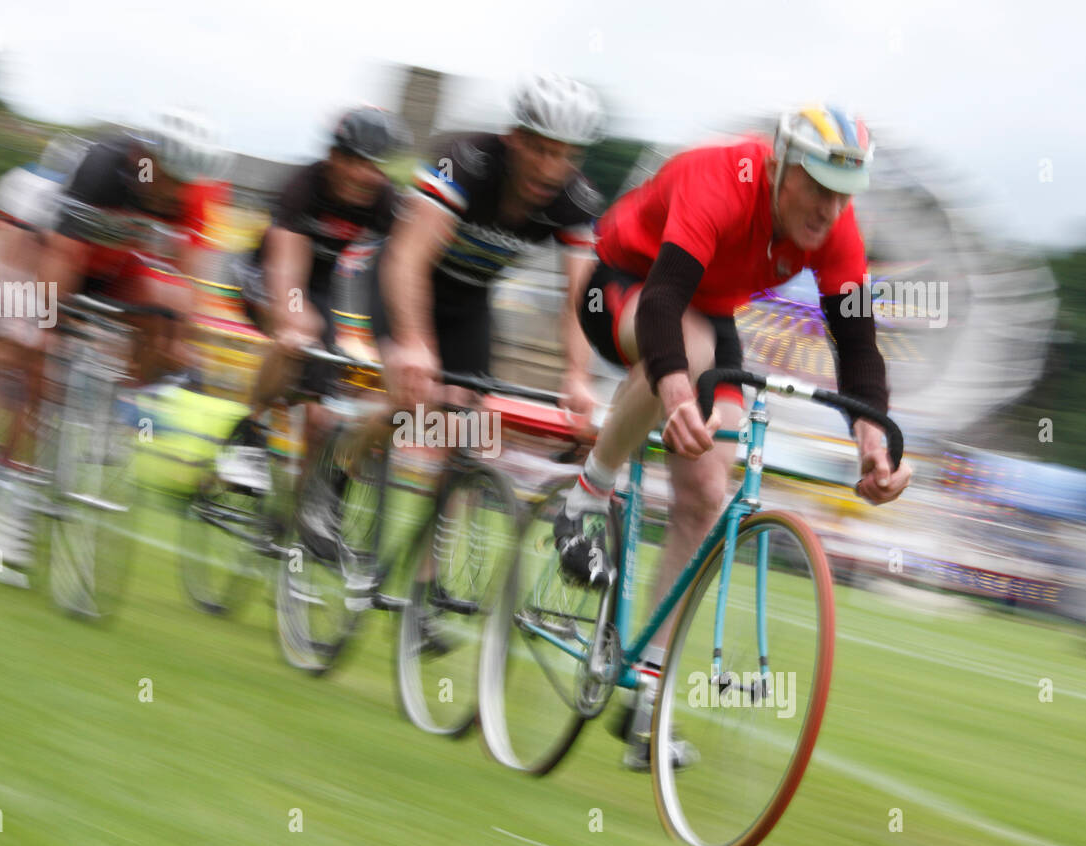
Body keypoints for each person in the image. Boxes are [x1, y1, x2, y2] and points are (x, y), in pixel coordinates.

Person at [559, 104, 913, 768]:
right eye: (818, 187)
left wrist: (874, 439)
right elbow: (664, 302)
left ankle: (647, 696)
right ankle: (585, 496)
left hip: (710, 311)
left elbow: (858, 344)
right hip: (626, 284)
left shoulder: (836, 225)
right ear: (780, 166)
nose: (831, 209)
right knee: (686, 346)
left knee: (705, 493)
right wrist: (673, 393)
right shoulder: (721, 180)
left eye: (846, 193)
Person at [297, 73, 606, 555]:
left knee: (468, 432)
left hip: (469, 301)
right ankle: (335, 473)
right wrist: (412, 343)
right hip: (402, 281)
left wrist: (578, 375)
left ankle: (428, 581)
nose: (551, 169)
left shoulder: (576, 200)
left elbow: (581, 297)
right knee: (414, 402)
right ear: (514, 139)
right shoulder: (464, 161)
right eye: (542, 150)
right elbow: (407, 258)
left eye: (566, 156)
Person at [0, 109, 233, 573]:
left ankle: (113, 406)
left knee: (169, 310)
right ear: (144, 157)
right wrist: (45, 328)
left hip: (117, 266)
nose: (174, 191)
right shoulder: (103, 167)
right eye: (168, 178)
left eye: (184, 183)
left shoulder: (190, 194)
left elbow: (188, 278)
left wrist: (179, 344)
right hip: (60, 256)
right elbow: (63, 257)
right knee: (37, 357)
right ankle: (15, 494)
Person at [218, 105, 408, 495]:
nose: (366, 176)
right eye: (357, 162)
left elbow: (397, 271)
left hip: (321, 289)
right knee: (297, 335)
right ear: (334, 156)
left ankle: (302, 509)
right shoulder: (303, 186)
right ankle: (251, 432)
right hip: (267, 274)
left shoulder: (384, 200)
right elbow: (285, 269)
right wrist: (293, 314)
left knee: (320, 417)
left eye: (376, 167)